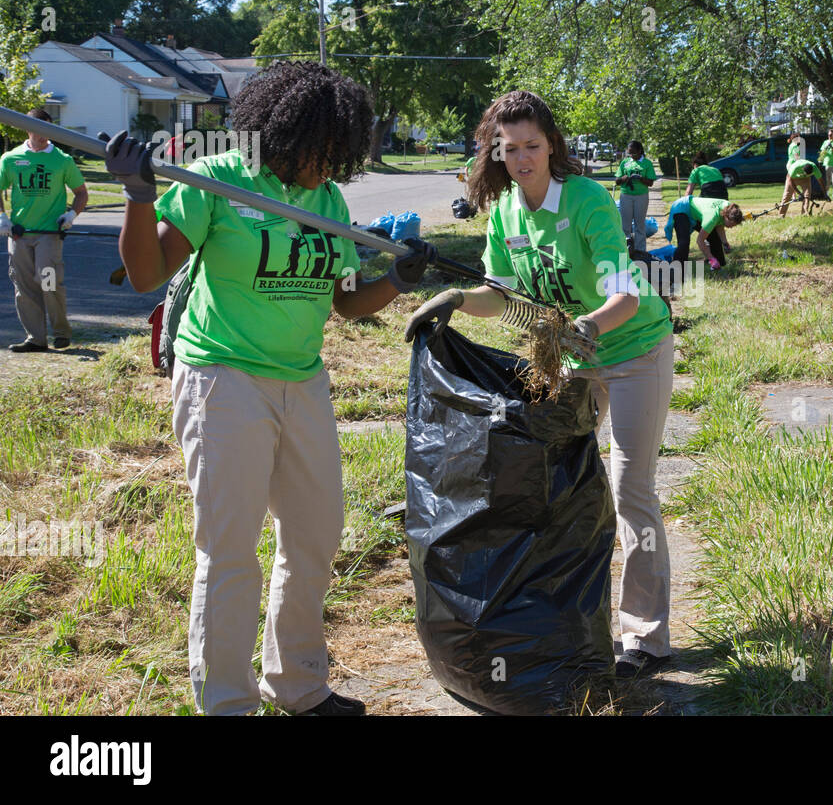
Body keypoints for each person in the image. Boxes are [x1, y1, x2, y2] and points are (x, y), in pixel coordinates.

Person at [108, 61, 431, 715]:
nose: (327, 168)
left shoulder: (327, 203)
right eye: (320, 152)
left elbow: (344, 303)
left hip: (302, 380)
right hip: (223, 379)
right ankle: (227, 702)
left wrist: (398, 279)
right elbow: (144, 272)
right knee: (230, 550)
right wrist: (139, 196)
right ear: (282, 134)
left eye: (338, 156)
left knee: (314, 536)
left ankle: (299, 686)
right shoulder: (219, 182)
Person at [405, 90, 677, 680]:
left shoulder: (586, 201)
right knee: (557, 480)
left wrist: (586, 327)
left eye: (533, 146)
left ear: (552, 144)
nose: (523, 159)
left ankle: (646, 636)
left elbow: (625, 294)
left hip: (632, 349)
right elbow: (501, 295)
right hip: (569, 360)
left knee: (631, 486)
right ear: (495, 153)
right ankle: (565, 617)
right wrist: (455, 298)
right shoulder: (504, 213)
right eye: (510, 149)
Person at [0, 108, 88, 352]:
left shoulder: (62, 160)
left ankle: (61, 333)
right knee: (24, 287)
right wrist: (2, 218)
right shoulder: (11, 158)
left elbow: (81, 192)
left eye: (47, 131)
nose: (42, 136)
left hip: (48, 234)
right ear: (27, 128)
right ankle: (36, 338)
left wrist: (71, 214)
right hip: (19, 234)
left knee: (48, 281)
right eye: (38, 130)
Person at [668, 194, 743, 268]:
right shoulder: (711, 218)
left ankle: (720, 266)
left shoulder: (729, 208)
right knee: (684, 242)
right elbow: (700, 240)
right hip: (681, 208)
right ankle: (676, 270)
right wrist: (711, 259)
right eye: (732, 224)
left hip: (694, 210)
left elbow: (719, 225)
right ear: (726, 217)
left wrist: (725, 243)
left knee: (715, 237)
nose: (732, 227)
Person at [614, 140, 656, 252]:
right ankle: (624, 249)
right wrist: (623, 179)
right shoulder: (625, 162)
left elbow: (651, 182)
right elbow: (617, 181)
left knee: (639, 224)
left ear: (640, 151)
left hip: (641, 196)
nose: (632, 155)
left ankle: (640, 250)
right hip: (626, 196)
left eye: (634, 153)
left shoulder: (647, 163)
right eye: (630, 153)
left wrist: (641, 179)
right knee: (625, 225)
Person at [683, 152, 730, 249]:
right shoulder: (715, 169)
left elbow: (688, 192)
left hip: (709, 193)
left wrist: (682, 205)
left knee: (705, 221)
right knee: (719, 219)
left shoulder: (696, 170)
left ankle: (707, 246)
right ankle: (725, 244)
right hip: (723, 195)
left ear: (695, 165)